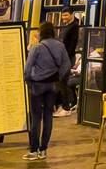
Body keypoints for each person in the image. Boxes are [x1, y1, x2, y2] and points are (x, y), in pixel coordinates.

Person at [22, 21, 71, 161]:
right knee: (48, 116)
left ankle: (33, 150)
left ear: (41, 32)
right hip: (52, 85)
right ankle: (43, 150)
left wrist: (28, 80)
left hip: (37, 85)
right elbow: (67, 64)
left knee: (36, 117)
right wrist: (58, 76)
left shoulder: (37, 48)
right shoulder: (60, 46)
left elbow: (27, 68)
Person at [55, 9, 82, 115]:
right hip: (66, 57)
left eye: (66, 15)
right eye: (63, 16)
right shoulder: (68, 26)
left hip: (67, 58)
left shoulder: (74, 27)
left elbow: (71, 45)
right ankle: (66, 105)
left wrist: (64, 57)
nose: (64, 18)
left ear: (72, 15)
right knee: (62, 82)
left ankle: (66, 107)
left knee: (63, 81)